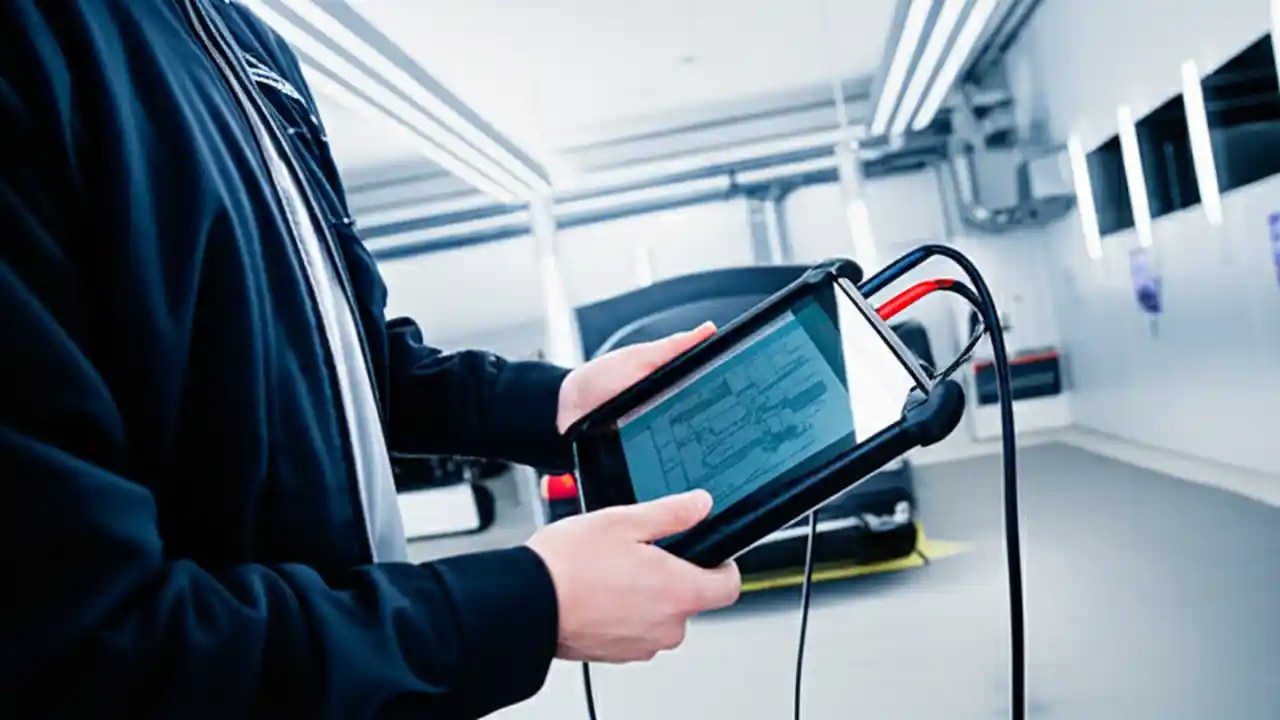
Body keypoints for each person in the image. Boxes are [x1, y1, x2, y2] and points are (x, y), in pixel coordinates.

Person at [0, 1, 740, 717]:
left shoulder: (248, 42)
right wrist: (527, 604)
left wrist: (557, 403)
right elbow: (82, 648)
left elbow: (335, 353)